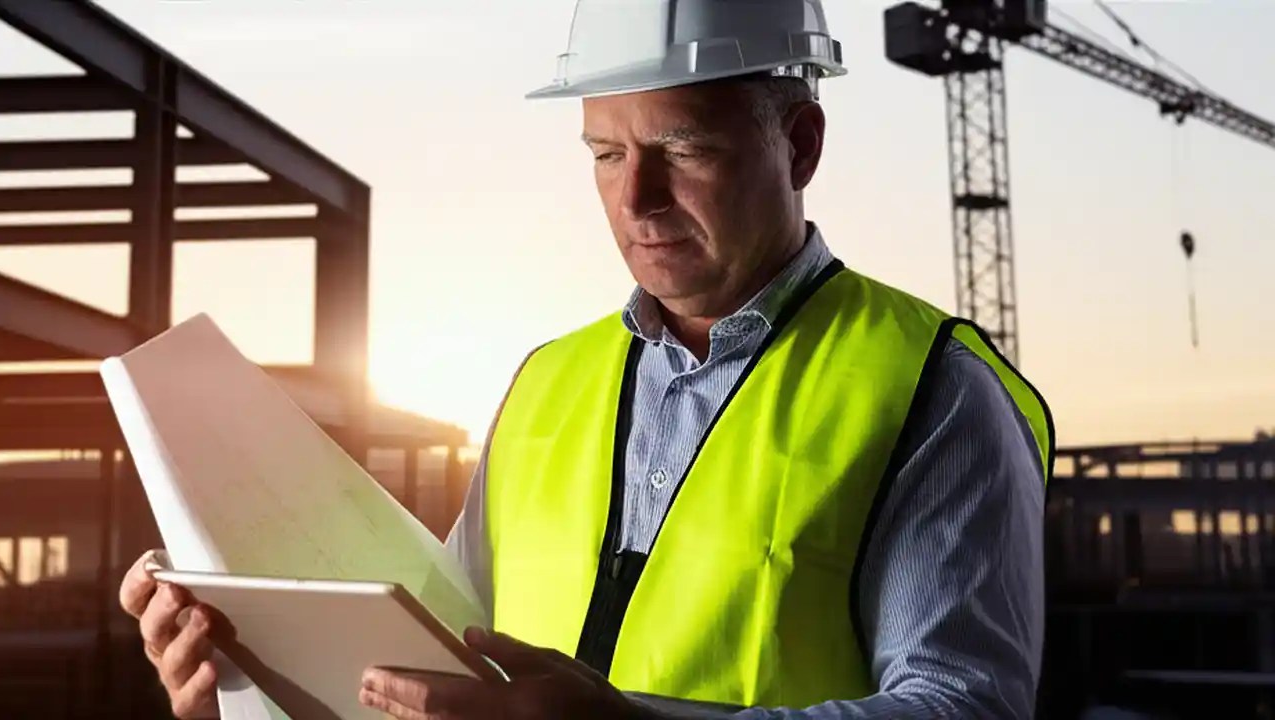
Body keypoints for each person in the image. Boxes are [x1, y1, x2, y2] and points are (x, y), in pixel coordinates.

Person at [119, 0, 1054, 717]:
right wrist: (247, 678)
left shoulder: (931, 392)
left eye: (683, 148)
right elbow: (445, 671)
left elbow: (962, 706)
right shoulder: (546, 386)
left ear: (800, 144)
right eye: (606, 153)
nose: (637, 197)